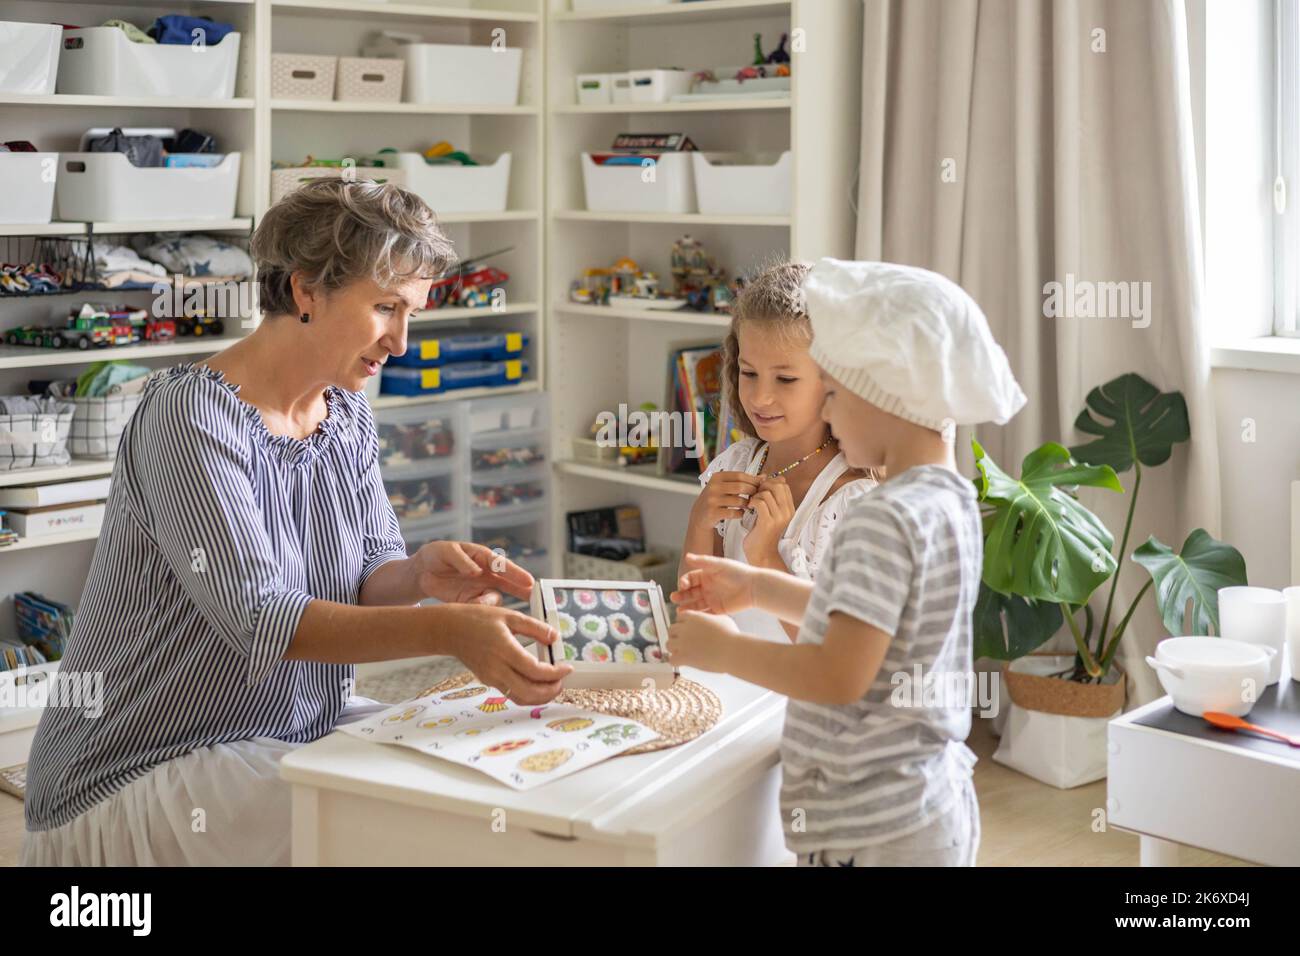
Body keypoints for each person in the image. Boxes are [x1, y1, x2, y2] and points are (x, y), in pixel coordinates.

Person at [23, 180, 570, 866]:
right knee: (404, 831)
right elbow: (261, 620)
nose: (401, 342)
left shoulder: (345, 413)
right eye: (385, 309)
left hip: (287, 729)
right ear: (307, 291)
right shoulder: (189, 417)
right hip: (141, 763)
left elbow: (370, 578)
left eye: (412, 314)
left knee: (467, 771)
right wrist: (447, 631)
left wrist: (419, 574)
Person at [668, 258, 1026, 866]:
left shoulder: (877, 518)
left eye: (831, 393)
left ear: (879, 392)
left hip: (871, 820)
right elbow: (873, 625)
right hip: (925, 803)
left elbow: (838, 674)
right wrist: (756, 585)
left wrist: (722, 651)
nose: (828, 414)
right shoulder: (948, 500)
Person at [681, 261, 877, 642]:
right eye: (749, 373)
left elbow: (834, 652)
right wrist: (699, 520)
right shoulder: (735, 463)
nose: (760, 396)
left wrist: (767, 556)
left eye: (785, 379)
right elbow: (695, 609)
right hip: (733, 686)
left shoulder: (853, 500)